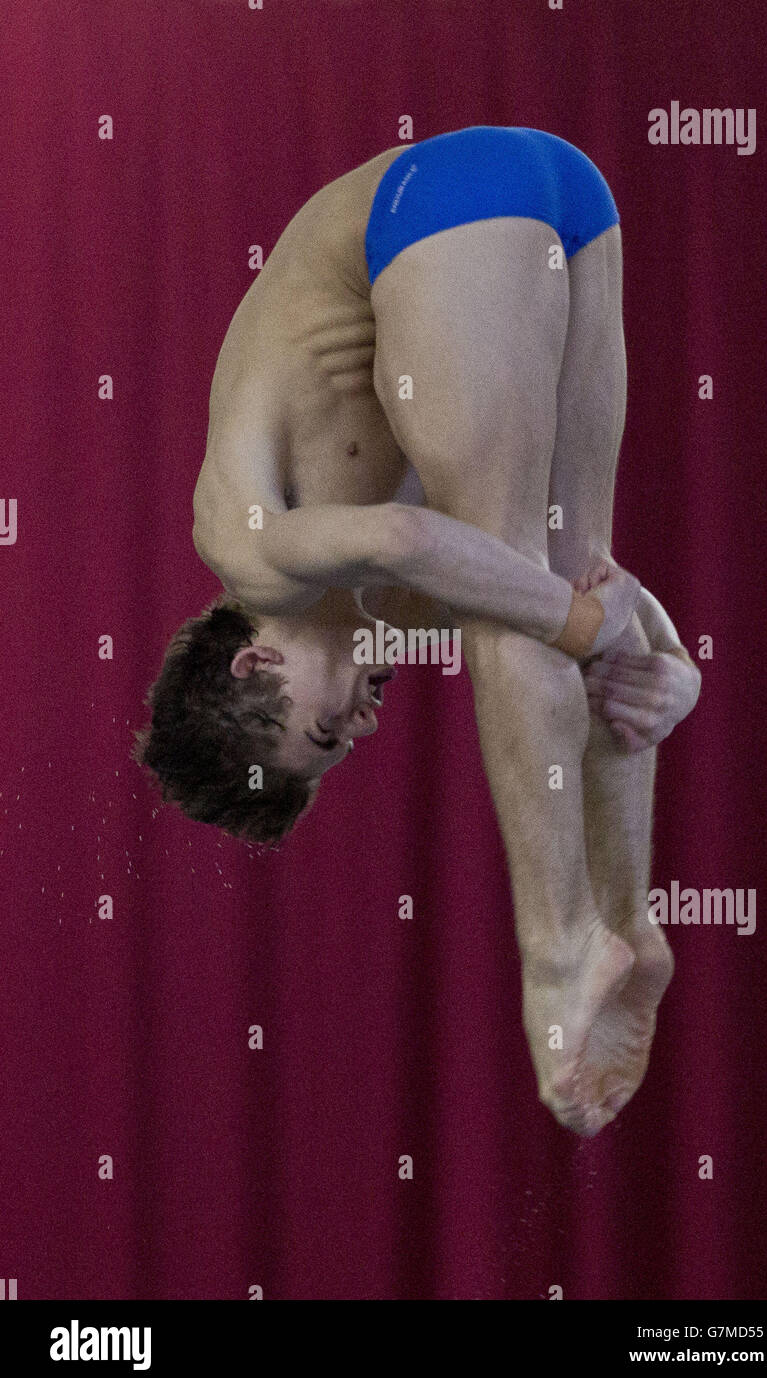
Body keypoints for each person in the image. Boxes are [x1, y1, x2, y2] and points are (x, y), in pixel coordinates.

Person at [135, 127, 701, 1133]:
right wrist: (675, 671)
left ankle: (559, 951)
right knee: (557, 577)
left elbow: (403, 531)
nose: (359, 731)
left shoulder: (242, 542)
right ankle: (626, 917)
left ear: (254, 661)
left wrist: (577, 624)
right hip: (568, 191)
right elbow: (611, 600)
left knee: (521, 600)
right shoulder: (384, 607)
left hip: (439, 203)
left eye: (318, 733)